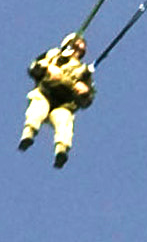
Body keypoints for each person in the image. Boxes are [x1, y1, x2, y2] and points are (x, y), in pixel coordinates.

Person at [20, 33, 94, 163]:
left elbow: (88, 100)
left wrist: (85, 91)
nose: (80, 46)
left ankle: (61, 149)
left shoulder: (84, 72)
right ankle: (29, 133)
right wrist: (48, 68)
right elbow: (33, 68)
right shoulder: (54, 55)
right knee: (38, 108)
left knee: (64, 121)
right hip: (45, 93)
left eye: (82, 44)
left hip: (64, 104)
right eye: (77, 43)